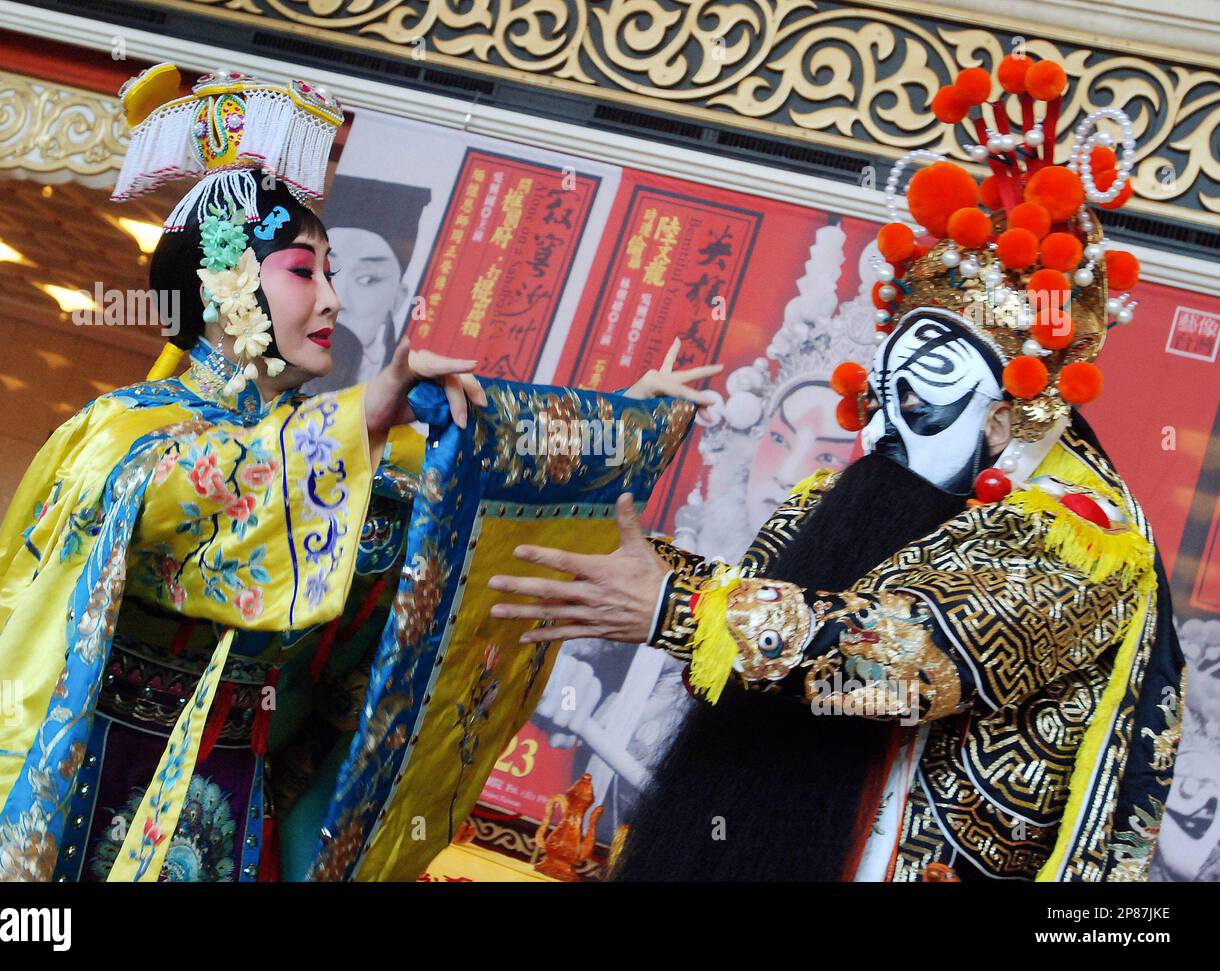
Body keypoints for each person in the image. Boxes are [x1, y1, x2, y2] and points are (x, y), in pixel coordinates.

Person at [489, 53, 1187, 881]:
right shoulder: (853, 491)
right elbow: (751, 613)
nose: (884, 411)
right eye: (884, 376)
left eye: (926, 378)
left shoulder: (1079, 536)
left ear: (1008, 413)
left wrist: (674, 603)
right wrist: (632, 555)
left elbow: (904, 664)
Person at [0, 64, 488, 882]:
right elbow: (188, 486)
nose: (332, 300)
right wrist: (362, 417)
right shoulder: (127, 428)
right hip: (83, 796)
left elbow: (401, 519)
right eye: (304, 271)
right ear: (226, 289)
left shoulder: (309, 443)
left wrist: (556, 443)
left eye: (330, 273)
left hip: (227, 810)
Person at [303, 175, 433, 392]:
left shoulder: (412, 388)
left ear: (398, 299)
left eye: (367, 279)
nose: (337, 300)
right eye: (328, 272)